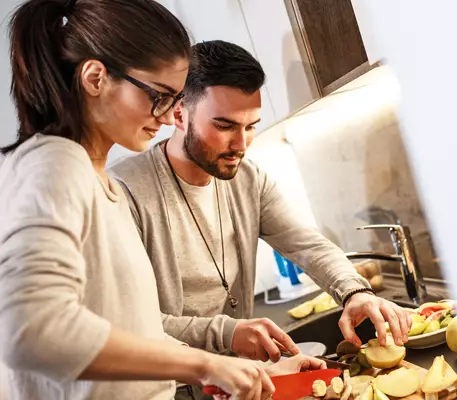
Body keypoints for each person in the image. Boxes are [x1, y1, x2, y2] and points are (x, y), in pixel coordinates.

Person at [0, 1, 323, 400]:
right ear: (96, 77)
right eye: (160, 96)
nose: (170, 115)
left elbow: (136, 333)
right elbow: (30, 332)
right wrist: (205, 363)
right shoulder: (56, 162)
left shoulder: (103, 185)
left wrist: (242, 368)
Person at [109, 40, 412, 365]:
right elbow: (131, 324)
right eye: (224, 126)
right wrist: (228, 334)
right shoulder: (122, 193)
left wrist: (355, 292)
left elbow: (308, 245)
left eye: (251, 126)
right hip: (168, 383)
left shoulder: (249, 180)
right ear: (179, 114)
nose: (240, 144)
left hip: (236, 375)